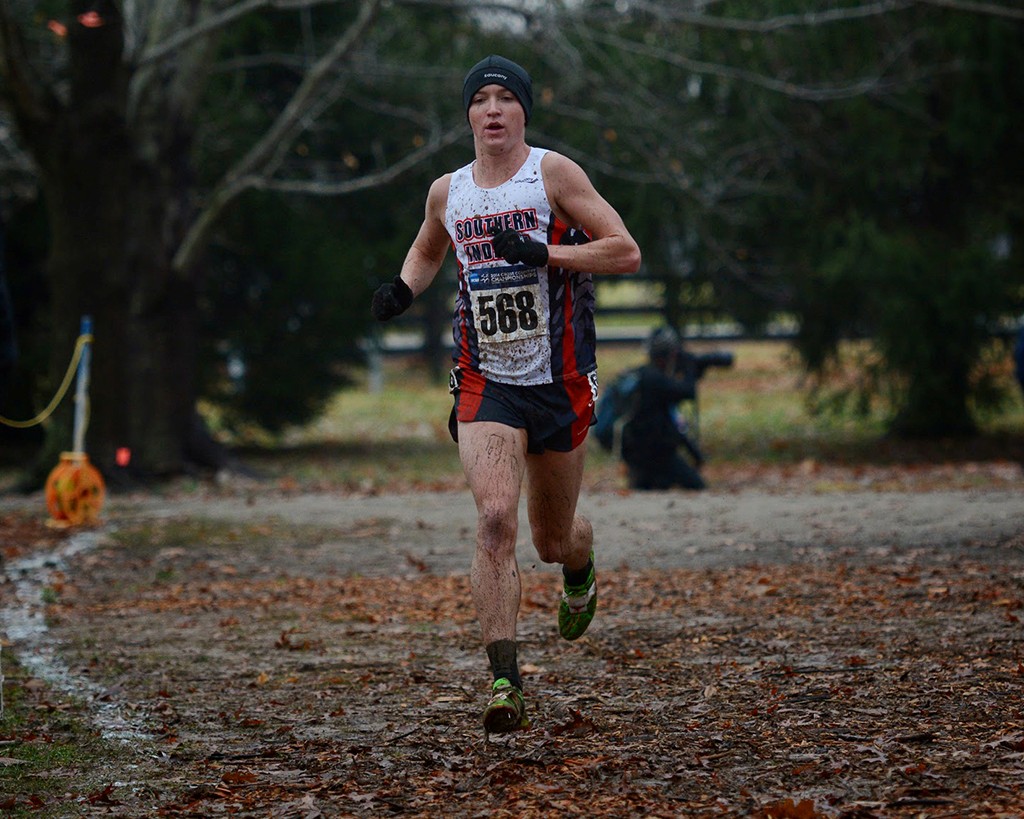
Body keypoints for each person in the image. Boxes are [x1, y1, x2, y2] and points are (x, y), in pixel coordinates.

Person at [370, 54, 641, 736]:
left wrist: (547, 253)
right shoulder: (447, 191)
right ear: (468, 115)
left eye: (505, 99)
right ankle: (504, 681)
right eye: (481, 99)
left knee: (551, 538)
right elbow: (431, 248)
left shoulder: (553, 174)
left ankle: (580, 563)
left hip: (559, 381)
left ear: (523, 112)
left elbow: (623, 250)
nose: (493, 109)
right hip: (486, 380)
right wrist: (404, 288)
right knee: (495, 518)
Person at [620, 327, 707, 491]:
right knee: (697, 486)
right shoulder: (656, 380)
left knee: (649, 488)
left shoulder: (642, 374)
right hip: (658, 453)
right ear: (670, 354)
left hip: (636, 452)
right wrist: (690, 368)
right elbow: (687, 391)